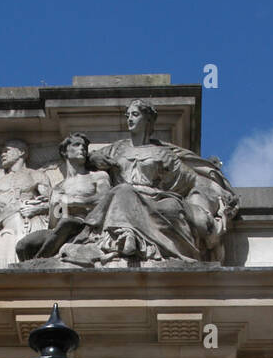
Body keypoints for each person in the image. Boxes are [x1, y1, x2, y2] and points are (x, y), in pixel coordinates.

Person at [64, 100, 238, 266]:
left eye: (134, 114)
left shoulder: (163, 154)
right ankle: (125, 235)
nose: (129, 119)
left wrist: (213, 192)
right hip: (121, 195)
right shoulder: (117, 148)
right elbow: (86, 158)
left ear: (147, 120)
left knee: (163, 204)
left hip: (153, 198)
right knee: (123, 191)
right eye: (127, 115)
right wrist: (96, 158)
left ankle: (129, 236)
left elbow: (192, 180)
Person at [15, 134, 111, 262]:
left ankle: (37, 263)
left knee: (68, 222)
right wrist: (55, 207)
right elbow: (55, 221)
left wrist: (74, 201)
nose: (82, 148)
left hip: (87, 224)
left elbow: (107, 199)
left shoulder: (97, 176)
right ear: (65, 152)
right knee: (22, 246)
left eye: (84, 146)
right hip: (60, 229)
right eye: (76, 145)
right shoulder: (58, 187)